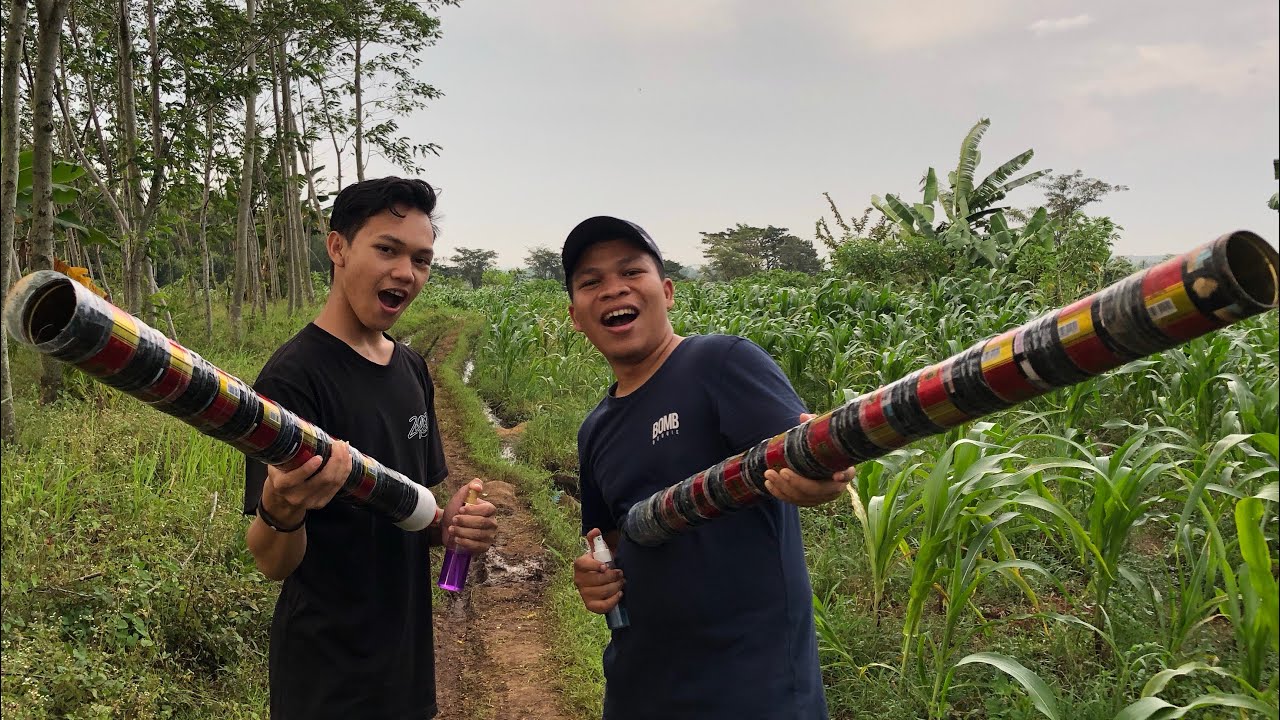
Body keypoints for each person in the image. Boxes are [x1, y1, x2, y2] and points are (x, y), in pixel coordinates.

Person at [565, 216, 852, 719]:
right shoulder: (595, 428)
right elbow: (607, 539)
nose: (613, 289)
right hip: (638, 690)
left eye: (631, 272)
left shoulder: (721, 363)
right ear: (576, 317)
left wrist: (825, 476)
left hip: (752, 691)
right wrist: (595, 575)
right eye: (592, 282)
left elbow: (807, 459)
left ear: (667, 291)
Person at [241, 176, 498, 720]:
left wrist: (447, 525)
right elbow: (271, 560)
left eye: (421, 260)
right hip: (327, 681)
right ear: (337, 248)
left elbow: (409, 511)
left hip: (405, 670)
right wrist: (282, 507)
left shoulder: (411, 369)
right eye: (387, 249)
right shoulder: (293, 380)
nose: (406, 272)